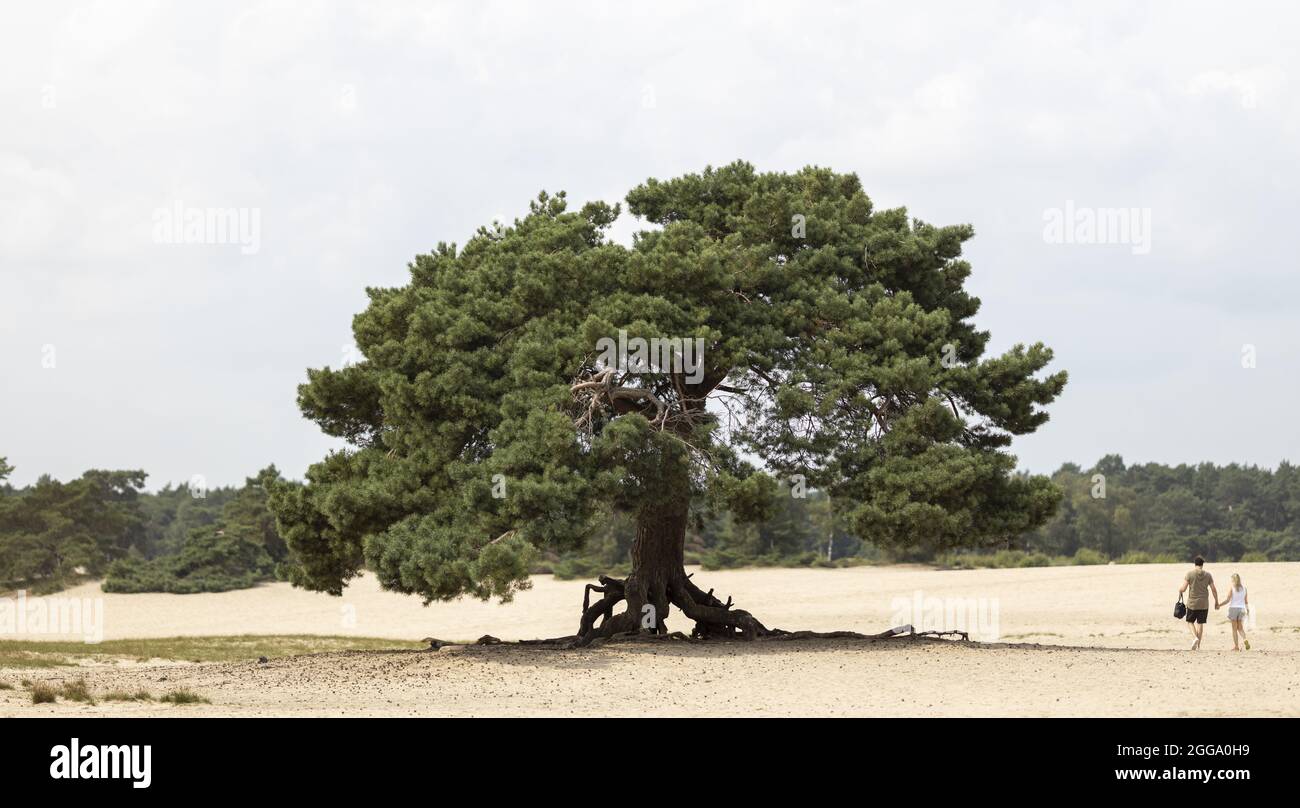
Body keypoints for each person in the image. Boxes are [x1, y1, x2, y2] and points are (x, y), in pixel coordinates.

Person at [1178, 556, 1218, 650]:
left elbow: (1183, 589)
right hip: (1204, 603)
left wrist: (1179, 590)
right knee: (1200, 623)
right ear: (1202, 564)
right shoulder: (1208, 575)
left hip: (1192, 603)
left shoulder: (1189, 574)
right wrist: (1216, 601)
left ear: (1195, 564)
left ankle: (1195, 638)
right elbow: (1214, 590)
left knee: (1190, 621)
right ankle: (1198, 645)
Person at [1215, 573, 1251, 651]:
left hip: (1233, 609)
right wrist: (1247, 610)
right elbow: (1246, 601)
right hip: (1241, 609)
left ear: (1233, 580)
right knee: (1240, 628)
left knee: (1234, 629)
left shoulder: (1232, 588)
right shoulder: (1244, 588)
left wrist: (1219, 605)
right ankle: (1245, 639)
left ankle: (1236, 646)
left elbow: (1228, 600)